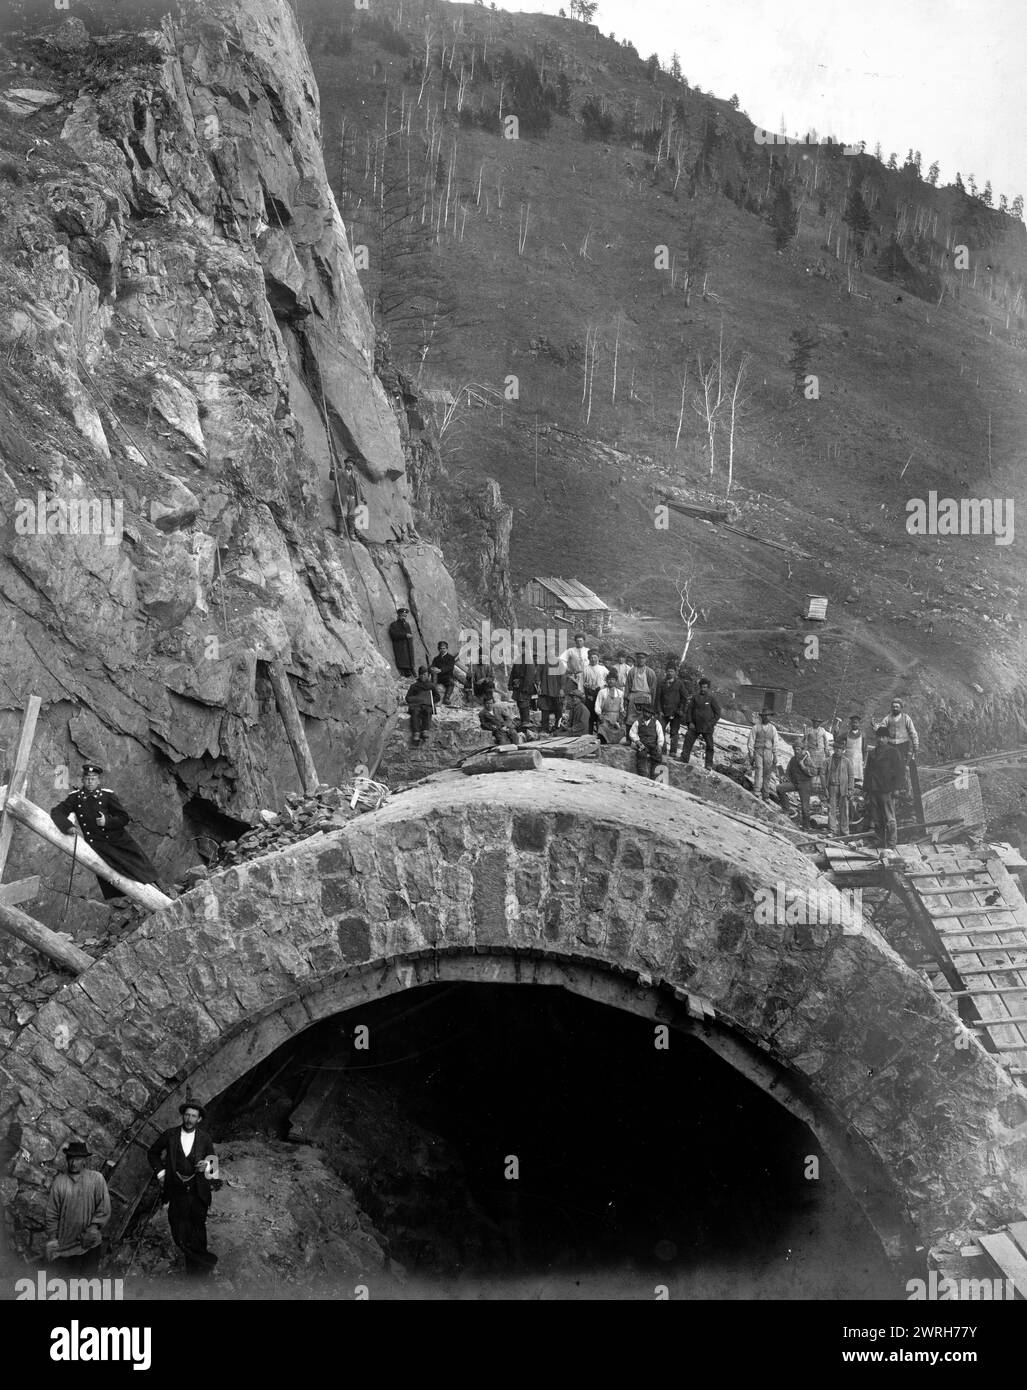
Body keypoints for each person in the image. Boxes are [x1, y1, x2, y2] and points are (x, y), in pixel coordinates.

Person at [50, 765, 161, 901]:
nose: (90, 782)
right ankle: (147, 898)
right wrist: (67, 826)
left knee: (141, 872)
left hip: (118, 841)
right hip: (98, 846)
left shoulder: (108, 795)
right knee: (117, 877)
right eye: (87, 779)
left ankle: (160, 892)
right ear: (82, 781)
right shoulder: (75, 798)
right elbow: (56, 812)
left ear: (98, 781)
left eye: (93, 778)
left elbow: (124, 818)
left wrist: (107, 821)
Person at [147, 1101, 218, 1277]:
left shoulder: (205, 1138)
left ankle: (196, 1273)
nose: (189, 1119)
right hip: (176, 1191)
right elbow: (152, 1153)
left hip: (197, 1191)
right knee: (179, 1231)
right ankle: (206, 1261)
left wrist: (206, 1166)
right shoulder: (170, 1135)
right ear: (182, 1116)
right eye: (187, 1115)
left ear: (199, 1119)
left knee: (198, 1230)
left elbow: (214, 1166)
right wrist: (161, 1173)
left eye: (193, 1116)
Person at [45, 1140, 110, 1276]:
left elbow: (103, 1208)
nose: (74, 1163)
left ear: (84, 1160)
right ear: (67, 1159)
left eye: (78, 1159)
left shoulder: (96, 1179)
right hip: (66, 1246)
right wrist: (52, 1239)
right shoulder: (60, 1182)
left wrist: (92, 1230)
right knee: (67, 1286)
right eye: (71, 1159)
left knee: (87, 1285)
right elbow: (52, 1213)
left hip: (90, 1244)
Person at [863, 725, 907, 848]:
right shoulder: (872, 753)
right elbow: (868, 771)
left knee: (889, 818)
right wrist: (866, 788)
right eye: (879, 737)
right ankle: (879, 840)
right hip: (873, 789)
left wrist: (897, 788)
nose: (881, 739)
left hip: (886, 789)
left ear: (887, 738)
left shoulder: (893, 752)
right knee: (876, 817)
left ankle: (892, 842)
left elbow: (900, 771)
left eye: (883, 737)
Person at [681, 678, 721, 770]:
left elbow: (717, 713)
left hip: (707, 727)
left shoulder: (712, 698)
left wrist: (711, 723)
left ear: (708, 688)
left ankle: (708, 764)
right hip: (695, 725)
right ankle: (684, 758)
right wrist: (690, 722)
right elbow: (689, 710)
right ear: (700, 687)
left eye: (705, 687)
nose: (703, 689)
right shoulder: (695, 697)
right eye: (702, 687)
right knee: (687, 741)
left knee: (710, 746)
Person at [777, 738, 817, 830]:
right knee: (779, 788)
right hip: (795, 784)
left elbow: (814, 772)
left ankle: (806, 826)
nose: (796, 751)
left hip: (805, 785)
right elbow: (788, 772)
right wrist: (784, 778)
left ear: (802, 749)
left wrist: (803, 766)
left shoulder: (807, 759)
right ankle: (786, 809)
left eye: (798, 749)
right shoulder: (792, 759)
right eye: (795, 749)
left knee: (805, 807)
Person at [883, 698, 919, 796]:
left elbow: (913, 732)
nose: (895, 708)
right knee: (889, 767)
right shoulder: (887, 718)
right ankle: (890, 787)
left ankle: (903, 789)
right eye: (893, 706)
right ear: (891, 707)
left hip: (903, 746)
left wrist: (915, 745)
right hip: (890, 745)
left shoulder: (906, 718)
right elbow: (881, 730)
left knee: (902, 767)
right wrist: (876, 728)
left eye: (897, 707)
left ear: (901, 708)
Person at [329, 456, 366, 540]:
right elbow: (332, 477)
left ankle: (352, 534)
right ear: (345, 463)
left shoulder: (355, 475)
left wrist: (362, 497)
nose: (350, 464)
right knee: (342, 515)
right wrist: (332, 470)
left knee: (352, 516)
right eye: (349, 462)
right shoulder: (340, 472)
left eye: (352, 463)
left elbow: (358, 487)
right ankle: (341, 532)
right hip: (343, 497)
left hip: (353, 498)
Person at [747, 710, 780, 801]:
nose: (766, 717)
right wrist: (751, 752)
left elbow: (775, 743)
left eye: (768, 716)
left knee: (767, 773)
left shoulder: (773, 729)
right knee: (759, 770)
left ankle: (765, 794)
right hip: (758, 751)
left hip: (768, 753)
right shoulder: (756, 727)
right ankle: (757, 791)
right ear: (761, 717)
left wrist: (775, 756)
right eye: (764, 716)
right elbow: (751, 740)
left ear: (770, 717)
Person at [627, 699, 665, 780]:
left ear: (652, 714)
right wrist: (637, 741)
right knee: (641, 754)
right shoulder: (638, 722)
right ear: (643, 712)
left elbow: (660, 734)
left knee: (658, 757)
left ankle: (655, 777)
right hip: (642, 744)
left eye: (649, 713)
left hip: (653, 744)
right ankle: (643, 775)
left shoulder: (656, 722)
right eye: (645, 712)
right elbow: (632, 733)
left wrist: (660, 745)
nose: (647, 714)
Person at [655, 663, 687, 756]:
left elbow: (684, 697)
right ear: (666, 672)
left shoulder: (679, 683)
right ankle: (663, 750)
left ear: (675, 672)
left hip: (675, 713)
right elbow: (658, 698)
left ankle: (673, 751)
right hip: (663, 712)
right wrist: (659, 710)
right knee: (660, 730)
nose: (670, 673)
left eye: (672, 671)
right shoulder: (661, 683)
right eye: (668, 671)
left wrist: (680, 709)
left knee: (674, 732)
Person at [824, 737, 854, 836]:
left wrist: (850, 788)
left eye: (840, 749)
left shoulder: (847, 761)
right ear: (834, 749)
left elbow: (851, 775)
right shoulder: (828, 761)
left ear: (843, 750)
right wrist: (825, 788)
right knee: (831, 809)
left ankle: (844, 831)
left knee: (844, 810)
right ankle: (832, 830)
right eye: (836, 748)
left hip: (843, 788)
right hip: (832, 787)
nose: (837, 751)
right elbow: (822, 774)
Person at [510, 647, 542, 731]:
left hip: (525, 686)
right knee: (519, 703)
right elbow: (512, 673)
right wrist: (510, 684)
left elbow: (529, 676)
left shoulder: (529, 660)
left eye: (524, 648)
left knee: (524, 703)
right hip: (517, 685)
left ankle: (526, 722)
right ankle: (523, 721)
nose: (522, 650)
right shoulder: (518, 659)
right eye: (521, 648)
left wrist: (525, 687)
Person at [405, 667, 438, 746]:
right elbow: (408, 698)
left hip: (427, 705)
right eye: (421, 675)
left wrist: (429, 699)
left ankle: (425, 730)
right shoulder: (414, 686)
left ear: (427, 675)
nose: (423, 676)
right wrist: (418, 699)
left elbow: (437, 696)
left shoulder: (431, 686)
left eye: (425, 674)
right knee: (415, 712)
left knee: (428, 711)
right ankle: (416, 733)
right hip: (417, 705)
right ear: (419, 675)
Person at [623, 652, 657, 729]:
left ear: (646, 660)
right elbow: (628, 686)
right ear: (636, 659)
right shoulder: (632, 671)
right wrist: (626, 699)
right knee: (630, 720)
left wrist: (652, 702)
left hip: (646, 698)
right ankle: (629, 739)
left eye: (643, 658)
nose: (641, 660)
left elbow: (653, 689)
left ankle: (643, 738)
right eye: (639, 658)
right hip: (633, 697)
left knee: (644, 720)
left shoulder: (650, 672)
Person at [594, 671, 627, 744]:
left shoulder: (620, 693)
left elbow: (622, 707)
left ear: (616, 681)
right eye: (609, 679)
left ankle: (615, 742)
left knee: (622, 729)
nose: (611, 681)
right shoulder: (602, 692)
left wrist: (622, 714)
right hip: (605, 717)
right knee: (602, 729)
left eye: (613, 679)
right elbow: (597, 705)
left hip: (616, 718)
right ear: (606, 681)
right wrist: (599, 715)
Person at [582, 652, 610, 733]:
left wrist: (605, 689)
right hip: (589, 694)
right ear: (589, 658)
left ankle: (601, 733)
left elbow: (609, 679)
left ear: (598, 658)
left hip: (600, 693)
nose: (593, 659)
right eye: (591, 657)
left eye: (595, 657)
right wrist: (583, 694)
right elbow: (581, 683)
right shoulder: (585, 669)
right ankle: (589, 733)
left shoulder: (603, 669)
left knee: (600, 714)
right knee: (589, 714)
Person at [804, 716, 831, 797]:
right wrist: (805, 750)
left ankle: (820, 788)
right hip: (812, 752)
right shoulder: (809, 730)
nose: (816, 723)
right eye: (815, 722)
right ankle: (810, 788)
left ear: (820, 723)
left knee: (822, 770)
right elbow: (805, 740)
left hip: (821, 752)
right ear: (813, 722)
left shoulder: (822, 730)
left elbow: (826, 741)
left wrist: (826, 749)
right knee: (812, 769)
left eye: (818, 722)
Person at [387, 608, 416, 677]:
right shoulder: (394, 625)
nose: (404, 617)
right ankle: (406, 673)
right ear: (398, 615)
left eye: (405, 616)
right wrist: (404, 635)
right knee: (403, 660)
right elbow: (393, 634)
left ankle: (412, 671)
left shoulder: (407, 624)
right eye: (402, 615)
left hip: (408, 645)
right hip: (400, 646)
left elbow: (410, 634)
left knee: (410, 658)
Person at [537, 661, 565, 733]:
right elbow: (537, 675)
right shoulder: (542, 663)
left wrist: (562, 688)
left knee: (558, 710)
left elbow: (563, 677)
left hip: (556, 691)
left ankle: (557, 727)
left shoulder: (559, 663)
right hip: (545, 691)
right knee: (545, 710)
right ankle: (545, 729)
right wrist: (538, 685)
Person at [429, 641, 460, 705]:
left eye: (444, 648)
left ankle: (446, 698)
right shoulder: (436, 658)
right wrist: (432, 669)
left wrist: (440, 670)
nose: (442, 650)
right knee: (433, 679)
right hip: (438, 677)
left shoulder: (451, 658)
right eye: (441, 648)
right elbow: (432, 666)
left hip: (447, 677)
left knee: (451, 682)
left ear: (447, 649)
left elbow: (449, 667)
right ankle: (435, 697)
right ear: (438, 649)